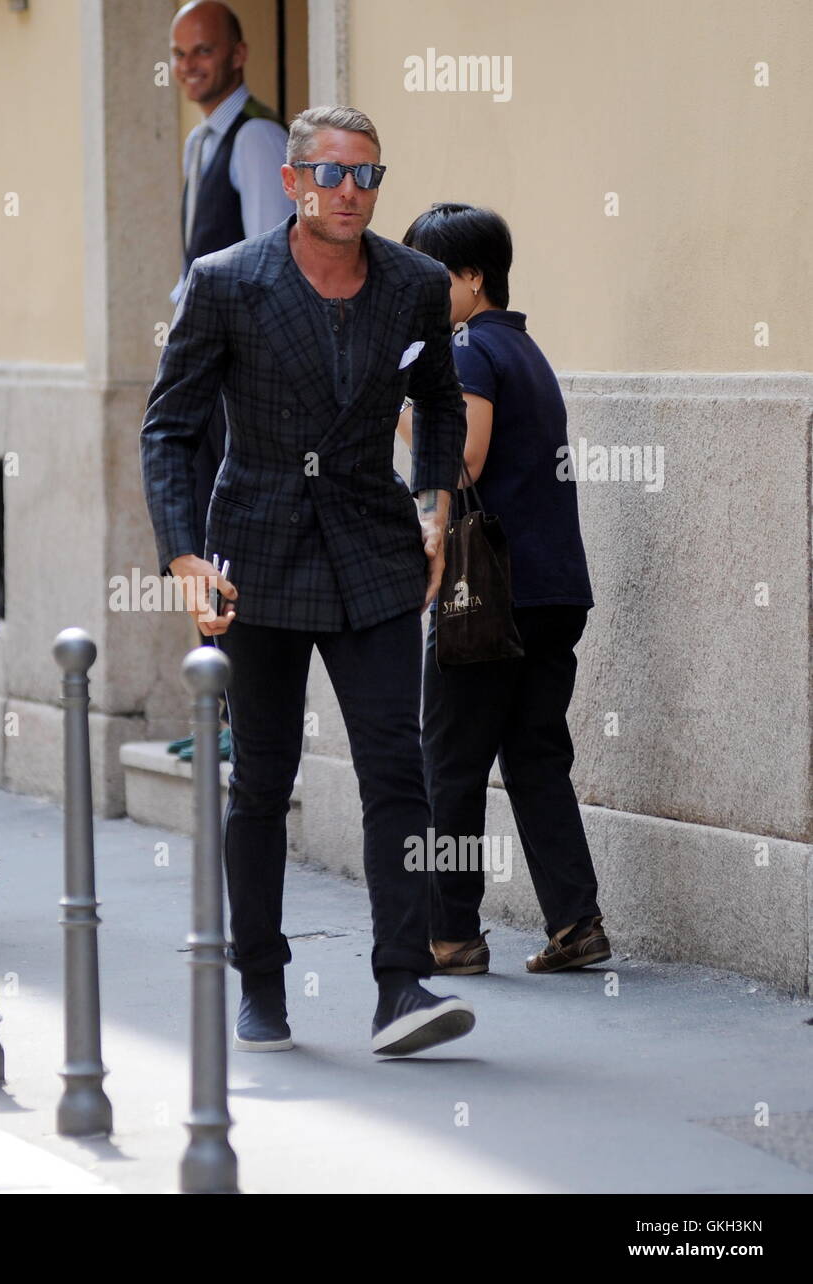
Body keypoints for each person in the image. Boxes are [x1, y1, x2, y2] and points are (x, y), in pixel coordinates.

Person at [141, 106, 475, 1057]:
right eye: (332, 175)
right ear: (292, 182)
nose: (352, 193)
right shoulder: (228, 283)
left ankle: (402, 985)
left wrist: (435, 503)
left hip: (374, 552)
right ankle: (261, 982)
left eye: (368, 175)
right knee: (262, 781)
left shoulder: (413, 285)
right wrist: (183, 557)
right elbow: (167, 428)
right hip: (257, 554)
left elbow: (440, 402)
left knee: (396, 768)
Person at [397, 203, 609, 976]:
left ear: (472, 277)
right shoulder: (524, 348)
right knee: (534, 757)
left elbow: (466, 461)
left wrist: (399, 410)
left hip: (488, 594)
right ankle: (575, 922)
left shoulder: (466, 352)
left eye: (431, 275)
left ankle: (450, 934)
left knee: (448, 762)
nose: (420, 291)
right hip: (554, 590)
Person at [165, 0, 295, 763]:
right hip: (204, 371)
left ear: (239, 54)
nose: (189, 66)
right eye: (179, 54)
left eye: (203, 52)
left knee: (231, 542)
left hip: (238, 379)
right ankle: (218, 715)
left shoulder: (258, 139)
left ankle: (245, 726)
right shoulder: (198, 143)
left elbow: (266, 264)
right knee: (204, 538)